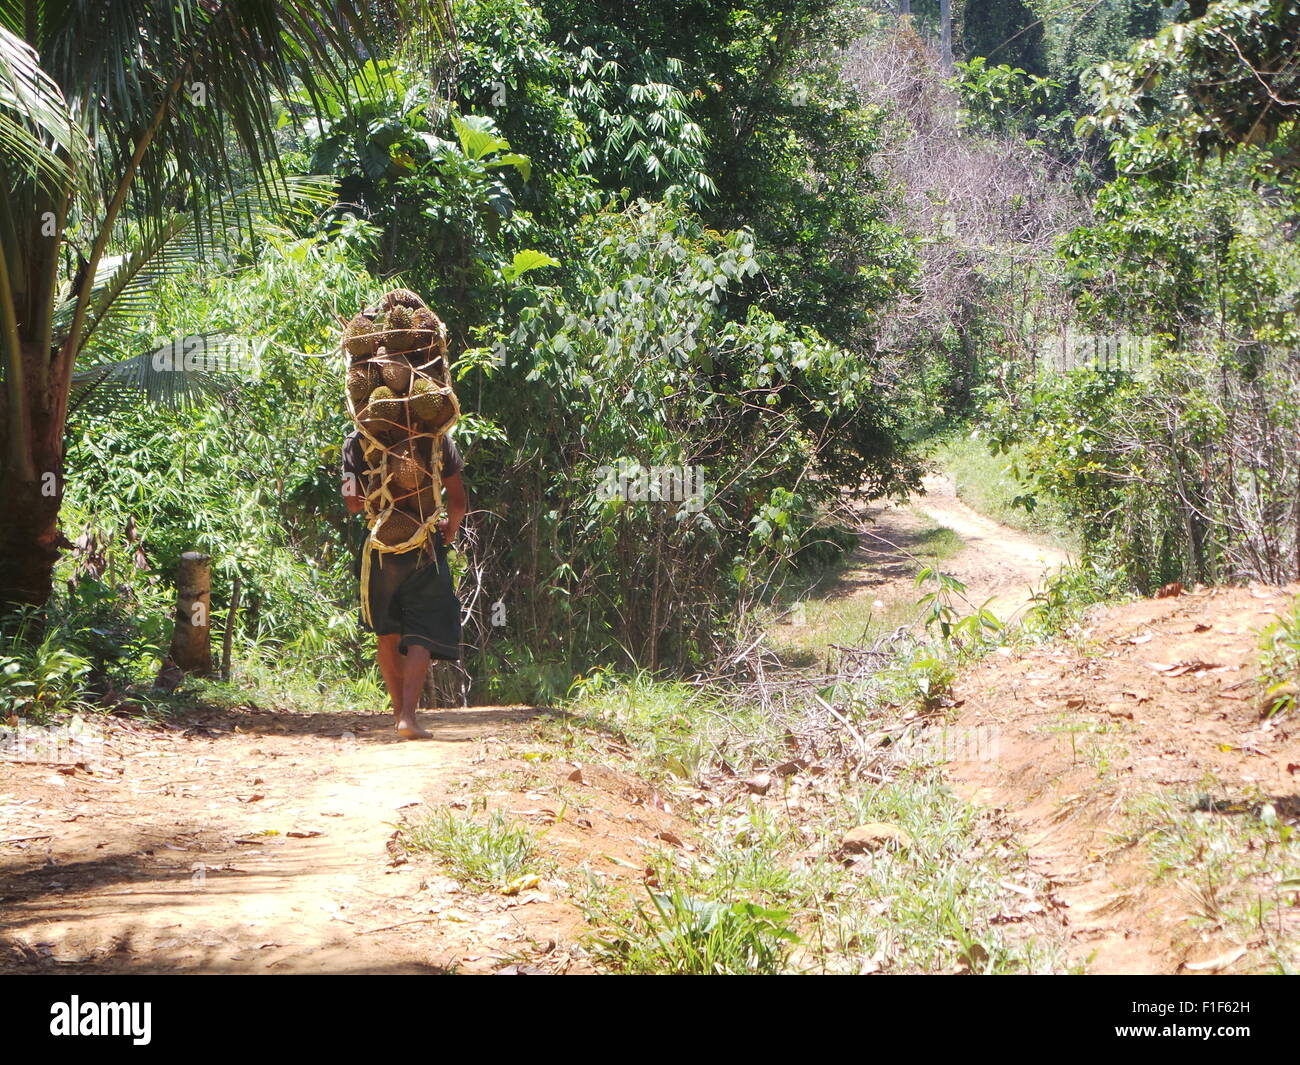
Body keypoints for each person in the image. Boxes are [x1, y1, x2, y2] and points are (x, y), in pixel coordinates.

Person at [341, 429, 467, 739]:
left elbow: (352, 503)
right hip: (424, 544)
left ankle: (399, 714)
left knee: (387, 632)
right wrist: (450, 529)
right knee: (421, 633)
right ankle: (409, 716)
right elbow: (459, 499)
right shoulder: (437, 438)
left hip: (381, 548)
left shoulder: (356, 442)